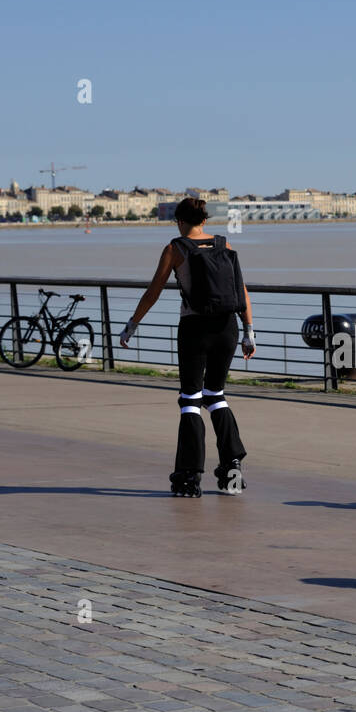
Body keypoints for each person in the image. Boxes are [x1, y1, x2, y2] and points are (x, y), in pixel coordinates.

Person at [118, 197, 256, 498]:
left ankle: (189, 478)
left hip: (195, 328)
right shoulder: (224, 245)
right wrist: (249, 332)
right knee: (216, 395)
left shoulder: (175, 248)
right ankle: (232, 471)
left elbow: (153, 292)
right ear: (204, 220)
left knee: (191, 398)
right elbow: (241, 289)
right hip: (228, 328)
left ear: (180, 222)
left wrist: (132, 325)